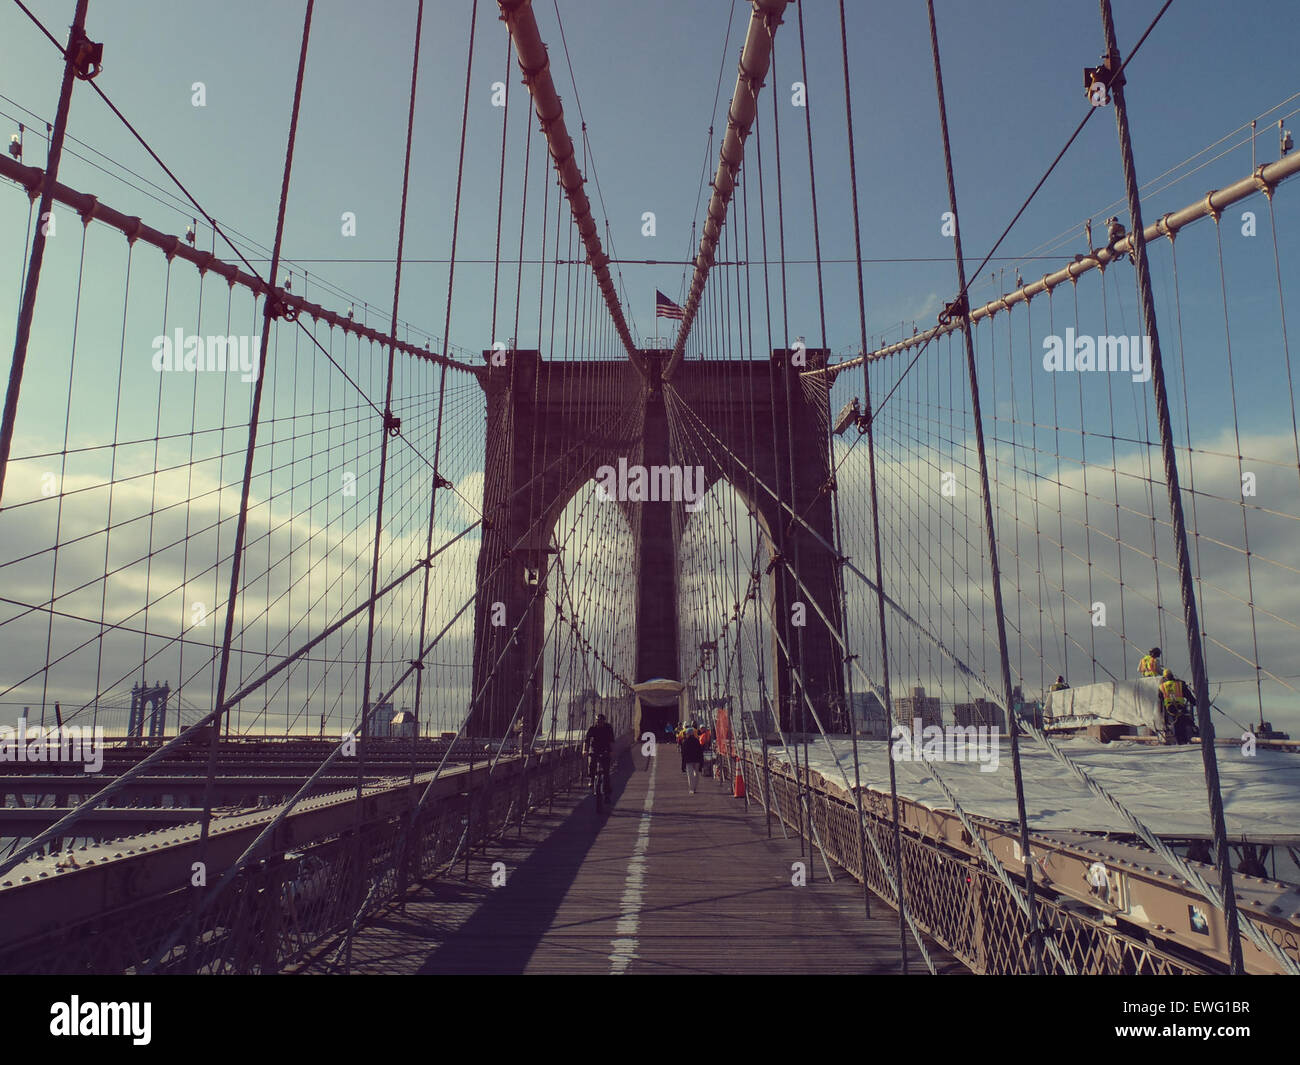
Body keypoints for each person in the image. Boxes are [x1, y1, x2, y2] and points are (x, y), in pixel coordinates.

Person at [1158, 669, 1195, 744]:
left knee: (1174, 726)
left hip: (1170, 709)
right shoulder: (1180, 684)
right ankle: (1186, 739)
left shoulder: (1162, 686)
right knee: (1185, 723)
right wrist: (1194, 702)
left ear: (1164, 678)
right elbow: (1188, 695)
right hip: (1180, 707)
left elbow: (1160, 698)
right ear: (1172, 676)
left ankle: (1179, 741)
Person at [584, 713, 614, 801]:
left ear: (604, 721)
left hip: (605, 750)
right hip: (594, 749)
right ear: (595, 721)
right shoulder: (592, 728)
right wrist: (584, 750)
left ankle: (607, 794)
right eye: (597, 721)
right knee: (591, 763)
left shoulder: (608, 728)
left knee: (606, 773)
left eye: (601, 721)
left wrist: (611, 751)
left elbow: (612, 741)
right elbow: (586, 741)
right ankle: (591, 779)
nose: (599, 723)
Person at [681, 727, 704, 794]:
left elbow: (683, 753)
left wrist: (683, 764)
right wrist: (701, 761)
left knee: (690, 775)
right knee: (696, 774)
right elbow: (700, 752)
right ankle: (695, 787)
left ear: (688, 734)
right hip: (697, 760)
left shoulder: (685, 742)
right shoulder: (697, 741)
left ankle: (691, 789)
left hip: (688, 761)